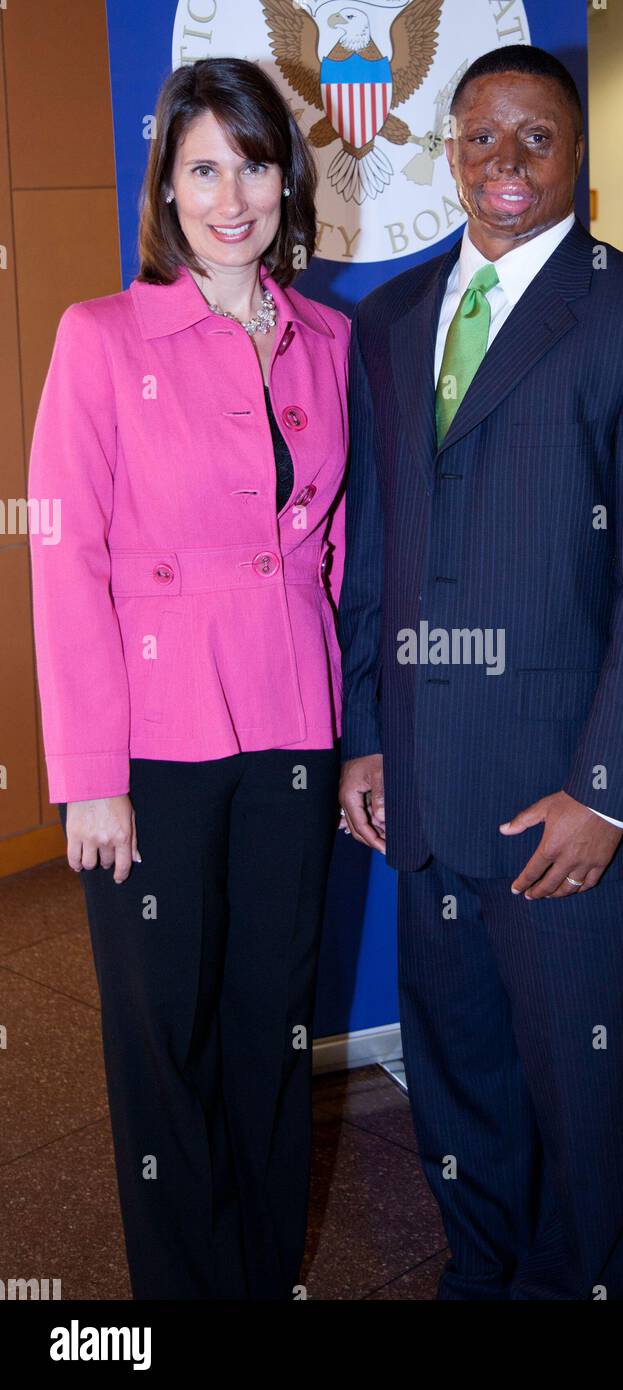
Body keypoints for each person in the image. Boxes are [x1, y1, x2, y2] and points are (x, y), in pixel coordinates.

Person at [338, 44, 623, 1300]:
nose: (504, 164)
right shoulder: (393, 322)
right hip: (429, 795)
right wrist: (365, 731)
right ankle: (483, 1274)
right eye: (479, 137)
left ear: (581, 161)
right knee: (460, 1085)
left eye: (537, 139)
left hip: (568, 804)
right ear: (447, 150)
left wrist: (611, 795)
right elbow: (376, 556)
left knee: (593, 1094)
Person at [27, 57, 349, 1300]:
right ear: (166, 183)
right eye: (203, 166)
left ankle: (263, 1279)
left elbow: (330, 555)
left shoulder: (327, 339)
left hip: (288, 730)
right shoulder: (100, 338)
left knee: (271, 1037)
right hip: (153, 746)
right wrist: (89, 780)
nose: (232, 195)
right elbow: (67, 567)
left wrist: (349, 734)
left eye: (254, 164)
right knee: (166, 1045)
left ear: (287, 178)